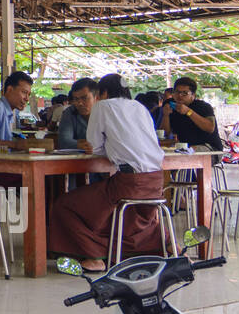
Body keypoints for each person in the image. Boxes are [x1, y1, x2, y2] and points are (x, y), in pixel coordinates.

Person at [49, 73, 165, 272]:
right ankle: (164, 245)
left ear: (102, 93)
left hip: (129, 183)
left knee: (64, 205)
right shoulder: (139, 107)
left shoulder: (103, 106)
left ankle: (95, 256)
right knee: (110, 209)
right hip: (156, 182)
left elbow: (93, 146)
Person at [157, 77, 223, 150]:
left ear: (193, 95)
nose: (180, 95)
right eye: (177, 92)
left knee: (190, 151)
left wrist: (189, 112)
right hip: (184, 147)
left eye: (185, 93)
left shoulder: (203, 106)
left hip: (209, 147)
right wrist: (166, 115)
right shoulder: (170, 105)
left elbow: (210, 128)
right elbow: (165, 134)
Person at [57, 78, 97, 151]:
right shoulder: (70, 112)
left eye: (84, 98)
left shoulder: (106, 113)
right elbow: (63, 141)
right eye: (76, 99)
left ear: (96, 97)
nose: (80, 103)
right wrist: (79, 145)